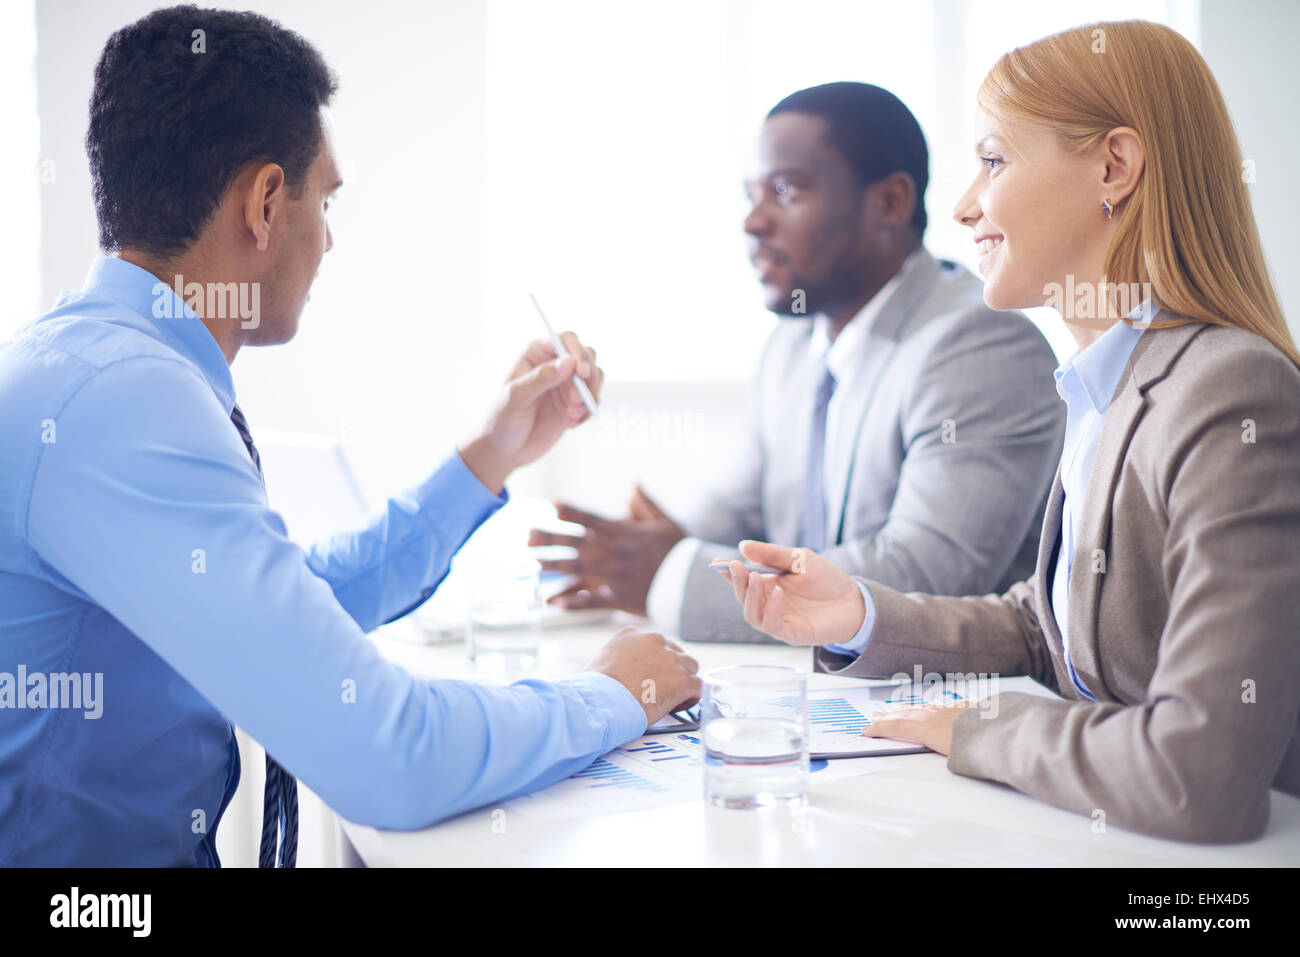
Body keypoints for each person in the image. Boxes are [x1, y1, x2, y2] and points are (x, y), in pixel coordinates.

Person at [0, 6, 699, 867]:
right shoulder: (126, 398)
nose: (327, 240)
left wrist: (492, 454)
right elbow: (387, 753)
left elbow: (295, 604)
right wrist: (610, 693)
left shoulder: (89, 362)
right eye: (325, 201)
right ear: (264, 202)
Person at [715, 20, 1300, 843]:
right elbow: (1049, 628)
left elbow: (1197, 770)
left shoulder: (1229, 389)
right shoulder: (1106, 379)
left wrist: (982, 731)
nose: (961, 207)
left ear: (1113, 167)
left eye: (992, 162)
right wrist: (856, 615)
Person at [530, 82, 1065, 644]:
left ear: (891, 202)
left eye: (785, 190)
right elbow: (742, 510)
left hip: (945, 704)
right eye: (751, 195)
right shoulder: (791, 345)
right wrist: (635, 551)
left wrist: (669, 577)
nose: (753, 223)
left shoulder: (979, 343)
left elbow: (924, 576)